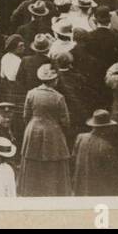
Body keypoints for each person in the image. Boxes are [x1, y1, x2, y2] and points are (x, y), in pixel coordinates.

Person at [18, 64, 70, 196]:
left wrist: (33, 124)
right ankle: (51, 191)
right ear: (54, 80)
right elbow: (65, 121)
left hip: (33, 129)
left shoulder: (31, 93)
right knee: (52, 163)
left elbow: (26, 116)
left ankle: (31, 190)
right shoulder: (59, 97)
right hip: (52, 131)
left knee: (32, 161)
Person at [72, 110, 118, 196]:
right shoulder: (106, 146)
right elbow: (114, 169)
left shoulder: (80, 137)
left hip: (81, 184)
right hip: (99, 188)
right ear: (106, 128)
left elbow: (74, 157)